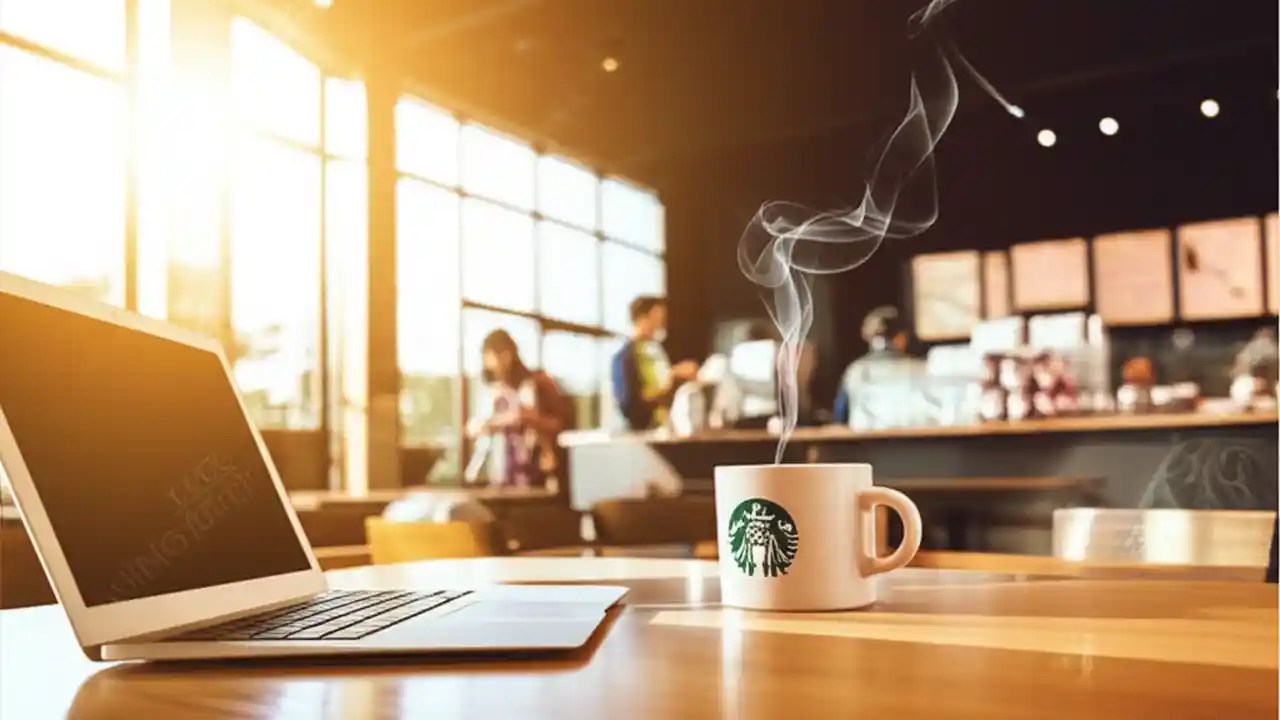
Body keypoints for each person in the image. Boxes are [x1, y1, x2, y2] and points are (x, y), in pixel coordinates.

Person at [466, 330, 572, 488]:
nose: (487, 366)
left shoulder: (539, 384)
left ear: (505, 355)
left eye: (489, 358)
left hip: (536, 474)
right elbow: (473, 427)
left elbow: (559, 423)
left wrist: (528, 419)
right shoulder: (493, 390)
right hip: (499, 475)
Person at [611, 296, 699, 430]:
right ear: (642, 317)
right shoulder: (626, 357)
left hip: (664, 428)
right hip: (642, 434)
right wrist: (674, 377)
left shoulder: (656, 350)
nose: (661, 322)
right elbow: (629, 402)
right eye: (656, 317)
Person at [832, 305, 926, 429]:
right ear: (901, 338)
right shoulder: (920, 369)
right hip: (914, 445)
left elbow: (840, 415)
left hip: (865, 445)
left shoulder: (855, 371)